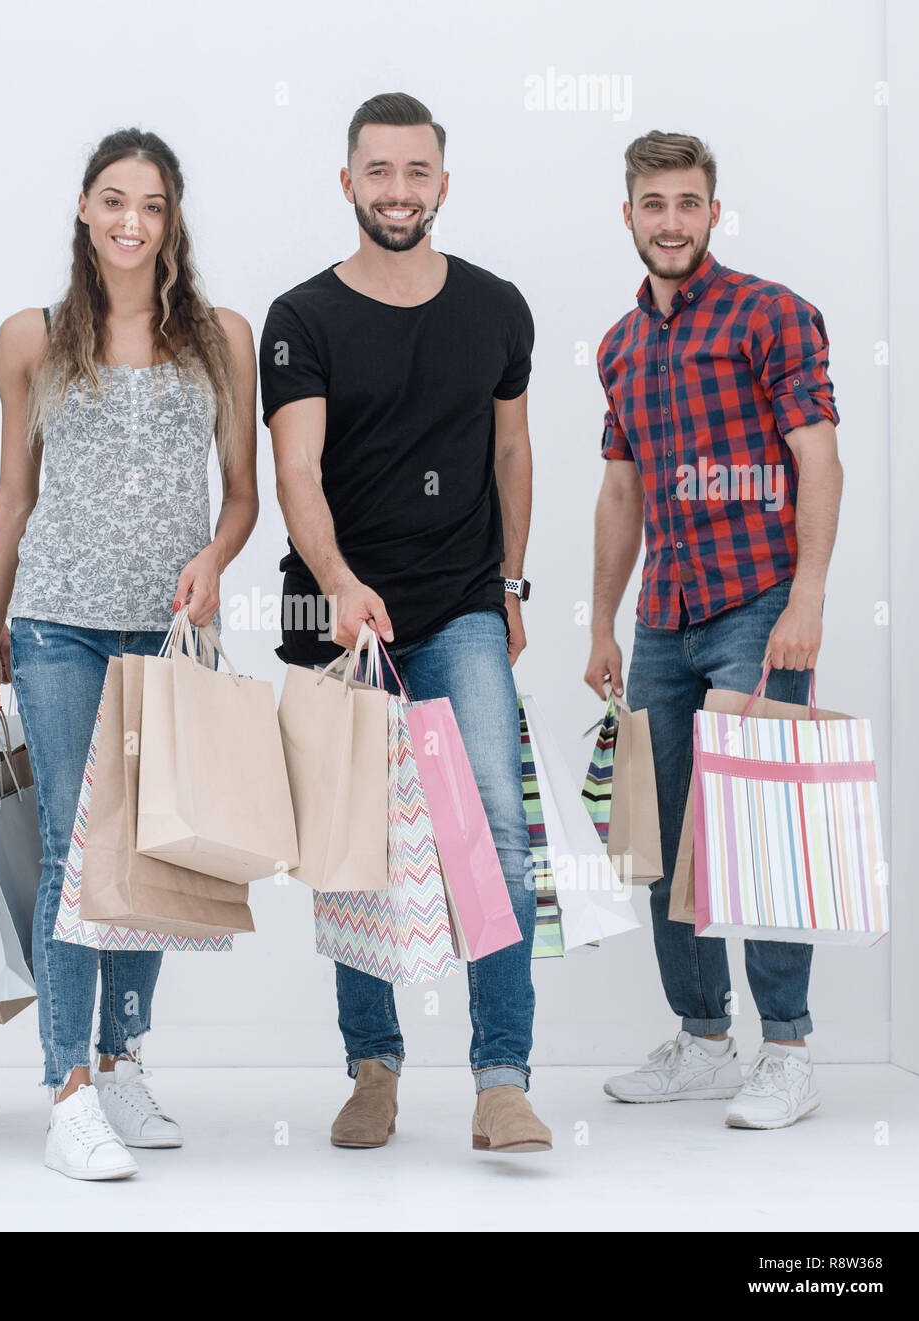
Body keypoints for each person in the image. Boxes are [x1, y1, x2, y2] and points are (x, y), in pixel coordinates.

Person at [0, 128, 259, 1181]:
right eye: (113, 200)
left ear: (171, 219)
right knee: (73, 843)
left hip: (170, 627)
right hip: (56, 623)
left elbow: (241, 497)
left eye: (151, 204)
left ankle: (122, 1057)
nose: (132, 221)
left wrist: (216, 559)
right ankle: (68, 1090)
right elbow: (12, 496)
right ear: (84, 211)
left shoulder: (220, 336)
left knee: (149, 848)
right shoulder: (32, 339)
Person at [261, 92, 550, 1154]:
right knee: (353, 845)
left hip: (461, 605)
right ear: (348, 183)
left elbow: (512, 452)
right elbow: (295, 469)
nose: (396, 191)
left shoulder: (496, 308)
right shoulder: (302, 318)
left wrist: (513, 586)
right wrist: (336, 583)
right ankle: (372, 1067)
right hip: (335, 621)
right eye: (376, 172)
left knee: (494, 828)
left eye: (414, 171)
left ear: (441, 181)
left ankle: (502, 1077)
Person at [586, 131, 843, 1130]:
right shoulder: (618, 345)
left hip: (758, 610)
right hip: (662, 622)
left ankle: (787, 1051)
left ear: (712, 213)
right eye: (654, 203)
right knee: (656, 838)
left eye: (688, 203)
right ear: (629, 215)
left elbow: (816, 458)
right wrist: (603, 623)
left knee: (765, 831)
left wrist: (808, 597)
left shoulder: (770, 314)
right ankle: (702, 1039)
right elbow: (620, 491)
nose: (671, 221)